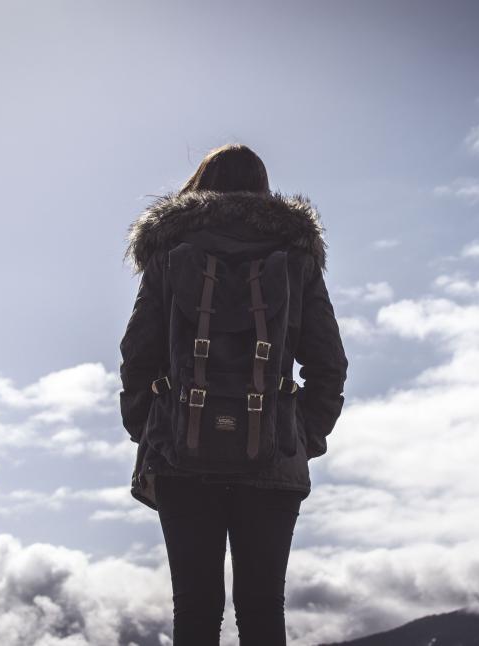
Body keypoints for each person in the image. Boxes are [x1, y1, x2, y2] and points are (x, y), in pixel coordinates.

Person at [119, 143, 348, 645]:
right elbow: (329, 365)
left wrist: (155, 430)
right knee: (263, 611)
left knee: (196, 612)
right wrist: (298, 434)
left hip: (181, 453)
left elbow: (138, 357)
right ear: (264, 190)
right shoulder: (297, 256)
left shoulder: (167, 253)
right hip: (273, 457)